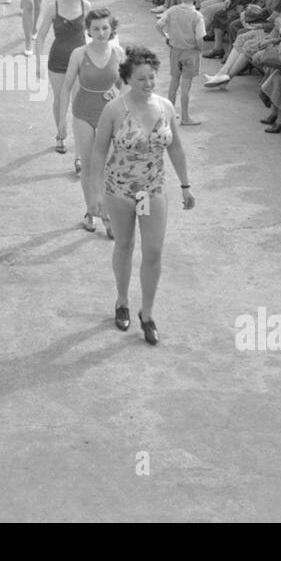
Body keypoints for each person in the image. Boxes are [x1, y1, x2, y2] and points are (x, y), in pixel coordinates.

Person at [91, 45, 195, 346]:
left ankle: (147, 314)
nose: (148, 84)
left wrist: (186, 185)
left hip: (152, 189)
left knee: (153, 252)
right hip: (120, 190)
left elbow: (174, 146)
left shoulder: (164, 107)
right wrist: (95, 194)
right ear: (127, 79)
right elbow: (98, 152)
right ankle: (122, 301)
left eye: (152, 78)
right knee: (124, 245)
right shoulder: (114, 110)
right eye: (141, 79)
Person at [61, 10, 124, 236]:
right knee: (87, 166)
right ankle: (90, 210)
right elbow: (66, 86)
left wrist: (117, 95)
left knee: (108, 167)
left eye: (105, 28)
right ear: (88, 30)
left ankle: (107, 214)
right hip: (83, 113)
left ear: (112, 29)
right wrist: (61, 121)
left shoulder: (118, 53)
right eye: (96, 28)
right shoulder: (79, 54)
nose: (100, 32)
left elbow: (125, 86)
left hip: (108, 115)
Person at [34, 0, 90, 166]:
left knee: (78, 103)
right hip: (57, 60)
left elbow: (96, 36)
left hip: (81, 62)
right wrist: (38, 63)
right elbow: (40, 37)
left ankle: (79, 154)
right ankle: (60, 132)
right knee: (59, 99)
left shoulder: (86, 6)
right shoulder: (53, 7)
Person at [155, 0, 207, 126]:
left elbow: (158, 25)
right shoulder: (197, 16)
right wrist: (200, 49)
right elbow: (199, 38)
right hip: (190, 52)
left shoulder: (172, 11)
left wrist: (167, 36)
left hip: (174, 50)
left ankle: (169, 115)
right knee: (186, 86)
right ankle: (185, 117)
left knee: (174, 82)